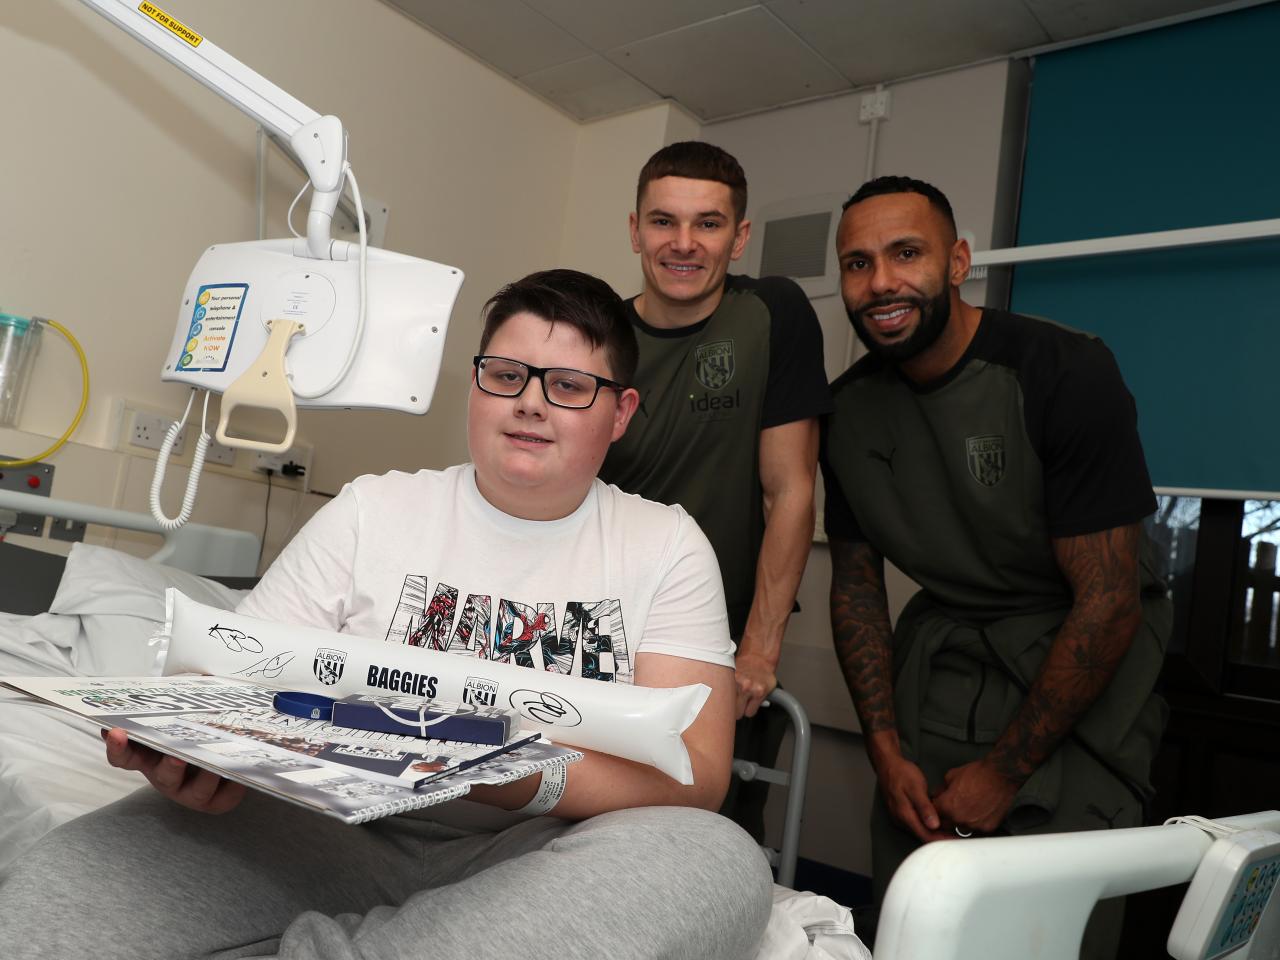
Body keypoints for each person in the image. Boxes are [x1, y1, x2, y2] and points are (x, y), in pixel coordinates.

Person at [0, 269, 774, 960]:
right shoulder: (372, 510)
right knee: (58, 888)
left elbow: (697, 774)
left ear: (620, 412)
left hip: (543, 854)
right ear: (477, 387)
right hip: (328, 830)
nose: (531, 402)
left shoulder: (664, 544)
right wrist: (194, 755)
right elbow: (234, 679)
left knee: (716, 859)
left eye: (569, 386)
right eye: (507, 375)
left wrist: (502, 775)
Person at [821, 176, 1171, 958]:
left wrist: (1006, 773)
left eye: (906, 253)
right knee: (918, 905)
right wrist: (884, 747)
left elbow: (1109, 601)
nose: (880, 282)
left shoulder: (1063, 371)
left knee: (1051, 918)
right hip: (944, 665)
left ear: (958, 262)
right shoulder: (845, 414)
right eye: (857, 263)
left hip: (1081, 663)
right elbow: (856, 588)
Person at [600, 141, 832, 839]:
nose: (684, 243)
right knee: (587, 828)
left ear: (740, 237)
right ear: (635, 230)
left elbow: (789, 490)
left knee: (710, 838)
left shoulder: (771, 313)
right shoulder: (597, 332)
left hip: (722, 646)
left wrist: (758, 650)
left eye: (708, 223)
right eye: (663, 221)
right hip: (606, 634)